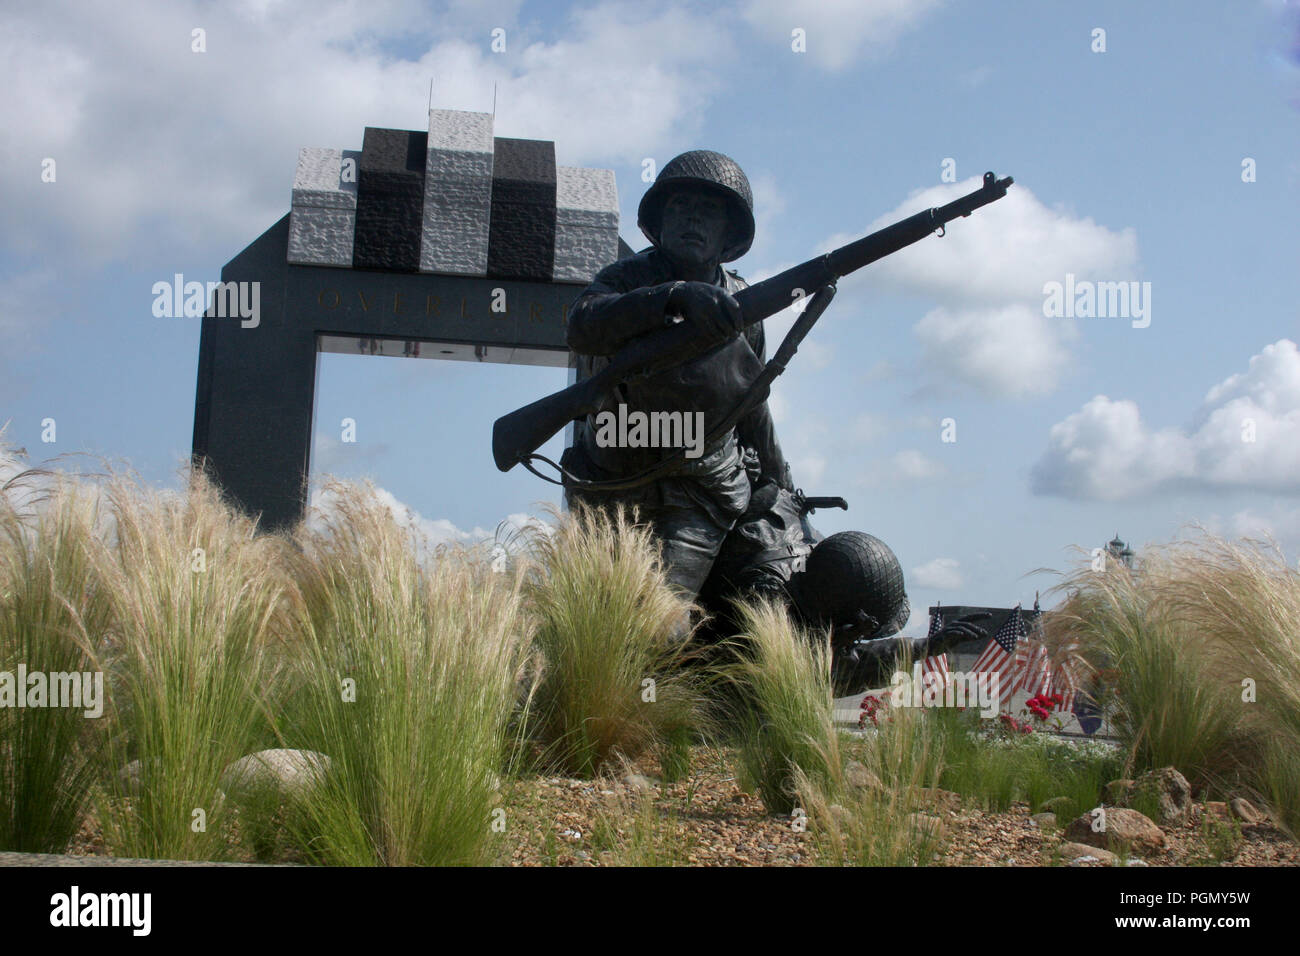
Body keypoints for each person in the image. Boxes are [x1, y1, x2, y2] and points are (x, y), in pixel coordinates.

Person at [562, 150, 791, 601]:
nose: (693, 220)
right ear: (659, 222)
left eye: (708, 212)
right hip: (612, 477)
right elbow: (582, 325)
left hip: (700, 489)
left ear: (728, 233)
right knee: (593, 608)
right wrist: (673, 298)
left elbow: (751, 394)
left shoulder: (745, 303)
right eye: (681, 207)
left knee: (660, 622)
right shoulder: (624, 278)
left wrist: (774, 471)